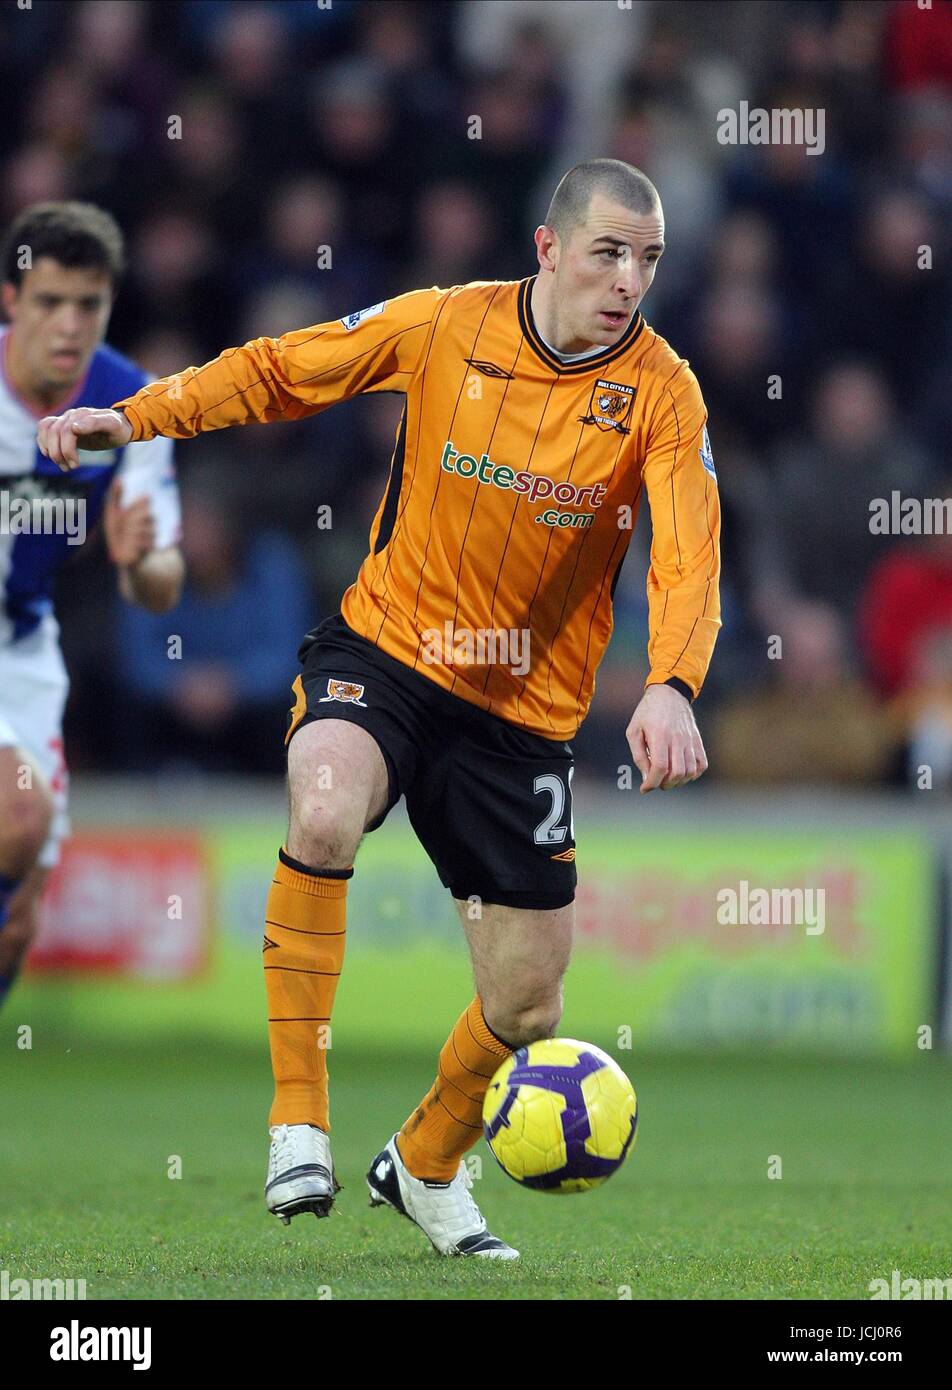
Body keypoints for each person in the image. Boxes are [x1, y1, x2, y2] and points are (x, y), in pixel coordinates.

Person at [38, 159, 721, 1259]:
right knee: (322, 808)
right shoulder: (442, 324)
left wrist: (673, 681)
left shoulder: (662, 391)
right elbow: (276, 372)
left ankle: (424, 1162)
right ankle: (296, 1120)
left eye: (646, 259)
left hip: (522, 714)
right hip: (390, 652)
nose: (628, 279)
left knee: (527, 1009)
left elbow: (689, 558)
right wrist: (135, 417)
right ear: (546, 249)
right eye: (606, 252)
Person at [0, 201, 183, 1007]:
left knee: (18, 923)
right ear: (11, 300)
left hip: (26, 653)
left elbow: (161, 586)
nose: (69, 324)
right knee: (18, 818)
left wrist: (138, 556)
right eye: (49, 302)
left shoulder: (131, 406)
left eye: (89, 304)